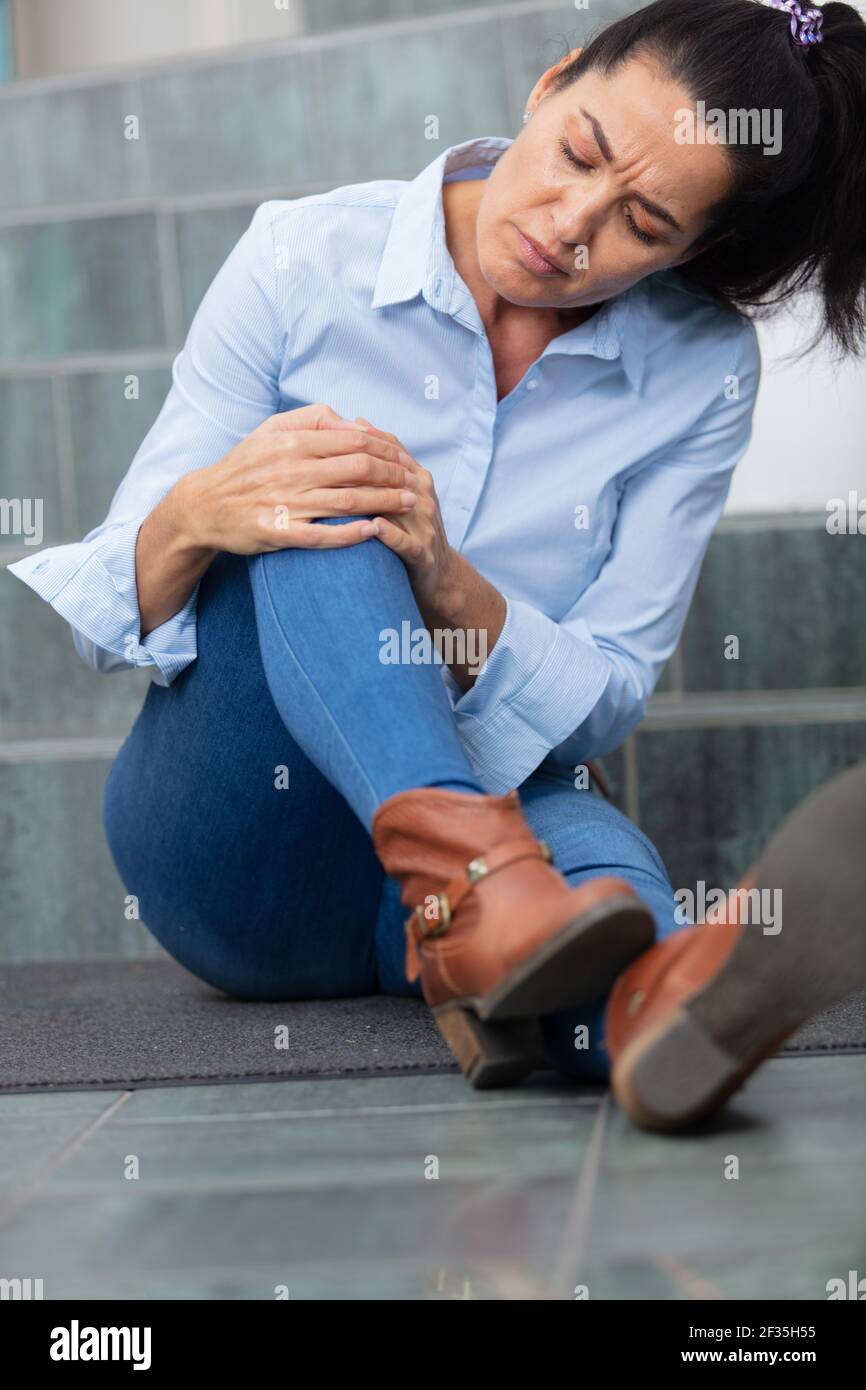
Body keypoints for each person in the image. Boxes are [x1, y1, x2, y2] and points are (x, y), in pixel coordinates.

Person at [10, 0, 866, 1125]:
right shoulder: (301, 256)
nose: (568, 225)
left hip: (500, 817)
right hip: (242, 850)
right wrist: (199, 511)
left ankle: (649, 1007)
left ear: (693, 252)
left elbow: (607, 693)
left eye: (642, 225)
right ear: (549, 84)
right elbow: (99, 621)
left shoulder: (696, 368)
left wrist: (448, 578)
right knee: (335, 486)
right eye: (577, 152)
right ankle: (491, 904)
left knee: (603, 881)